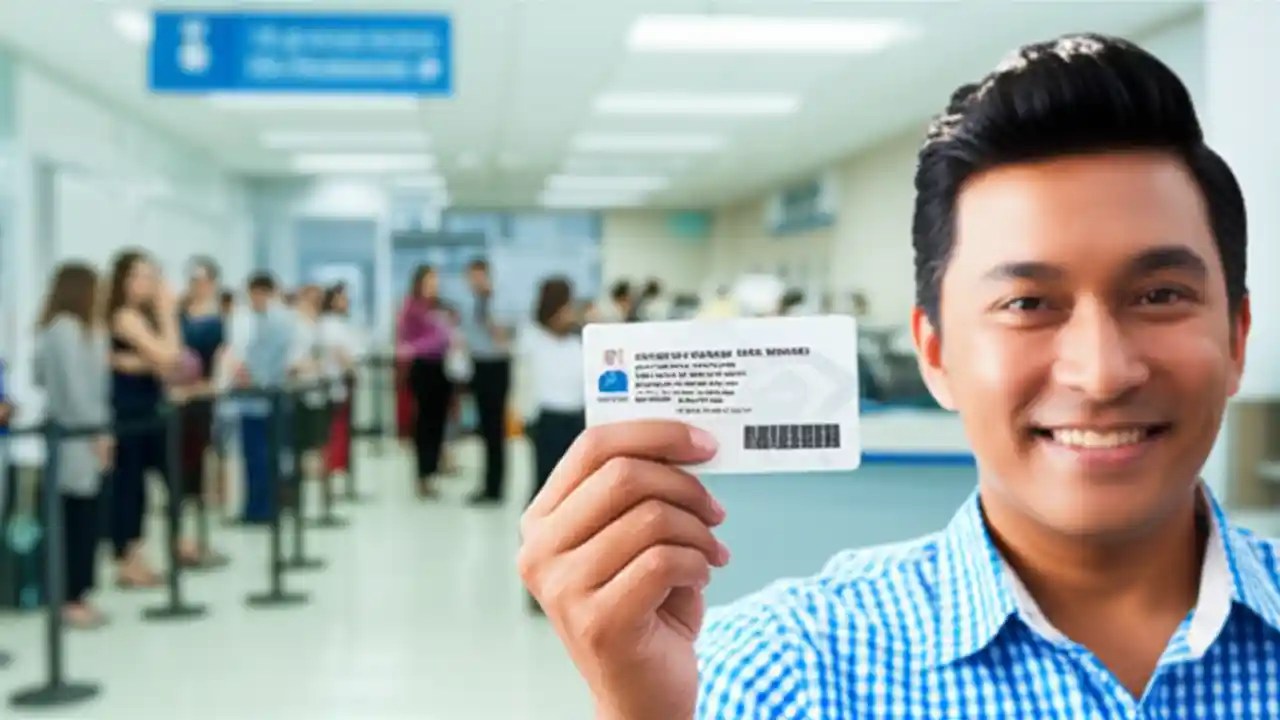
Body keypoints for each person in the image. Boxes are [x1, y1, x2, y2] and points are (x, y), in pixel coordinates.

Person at [517, 33, 1280, 718]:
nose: (1102, 371)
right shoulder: (777, 679)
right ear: (936, 352)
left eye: (1159, 296)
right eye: (1027, 302)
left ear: (1237, 334)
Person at [34, 263, 113, 628]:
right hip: (75, 440)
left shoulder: (68, 330)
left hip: (79, 437)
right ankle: (70, 596)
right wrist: (98, 433)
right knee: (76, 520)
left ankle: (77, 593)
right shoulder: (65, 332)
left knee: (83, 518)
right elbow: (76, 390)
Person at [104, 250, 182, 589]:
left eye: (152, 276)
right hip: (128, 414)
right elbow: (170, 354)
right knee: (129, 489)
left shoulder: (140, 318)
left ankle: (141, 554)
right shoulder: (124, 316)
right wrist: (168, 315)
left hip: (149, 410)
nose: (149, 284)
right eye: (141, 276)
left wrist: (139, 361)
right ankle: (129, 562)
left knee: (150, 488)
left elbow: (168, 364)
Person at [516, 277, 586, 609]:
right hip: (546, 424)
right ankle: (536, 583)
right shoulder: (533, 340)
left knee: (576, 505)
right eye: (566, 306)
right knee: (545, 502)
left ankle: (570, 580)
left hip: (577, 423)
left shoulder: (578, 341)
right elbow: (524, 384)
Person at [223, 272, 295, 524]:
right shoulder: (248, 320)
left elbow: (274, 362)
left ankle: (264, 508)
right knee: (254, 459)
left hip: (265, 397)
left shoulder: (279, 323)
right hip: (251, 400)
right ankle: (255, 507)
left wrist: (251, 377)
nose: (257, 298)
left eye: (262, 293)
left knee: (266, 457)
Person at [176, 256, 225, 564]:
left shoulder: (219, 319)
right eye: (194, 280)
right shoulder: (176, 314)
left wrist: (208, 386)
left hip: (203, 399)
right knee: (179, 474)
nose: (198, 286)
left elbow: (221, 361)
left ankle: (200, 539)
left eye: (204, 280)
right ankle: (183, 541)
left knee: (200, 468)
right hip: (178, 400)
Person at [458, 258, 513, 505]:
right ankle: (487, 483)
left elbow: (502, 336)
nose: (474, 282)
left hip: (496, 366)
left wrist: (489, 310)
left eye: (478, 277)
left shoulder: (499, 302)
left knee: (495, 429)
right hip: (478, 366)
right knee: (484, 429)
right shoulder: (470, 305)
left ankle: (496, 486)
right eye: (470, 277)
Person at [396, 265, 453, 498]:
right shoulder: (412, 307)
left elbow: (447, 337)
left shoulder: (439, 307)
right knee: (424, 422)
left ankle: (433, 469)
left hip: (441, 367)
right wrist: (431, 342)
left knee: (439, 421)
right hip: (422, 368)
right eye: (429, 281)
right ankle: (422, 474)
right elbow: (406, 340)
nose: (434, 285)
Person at [318, 284, 364, 479]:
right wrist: (352, 369)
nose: (346, 302)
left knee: (341, 427)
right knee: (335, 427)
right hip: (335, 381)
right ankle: (332, 468)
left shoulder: (340, 322)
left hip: (343, 381)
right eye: (342, 298)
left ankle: (339, 468)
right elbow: (339, 352)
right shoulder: (329, 323)